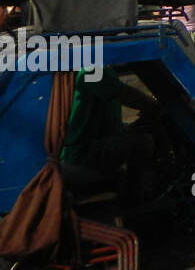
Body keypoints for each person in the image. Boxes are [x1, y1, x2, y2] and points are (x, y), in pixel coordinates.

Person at [61, 66, 162, 199]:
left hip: (94, 139)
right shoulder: (91, 72)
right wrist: (155, 106)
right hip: (85, 151)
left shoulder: (100, 70)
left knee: (138, 130)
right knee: (143, 143)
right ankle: (135, 196)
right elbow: (127, 94)